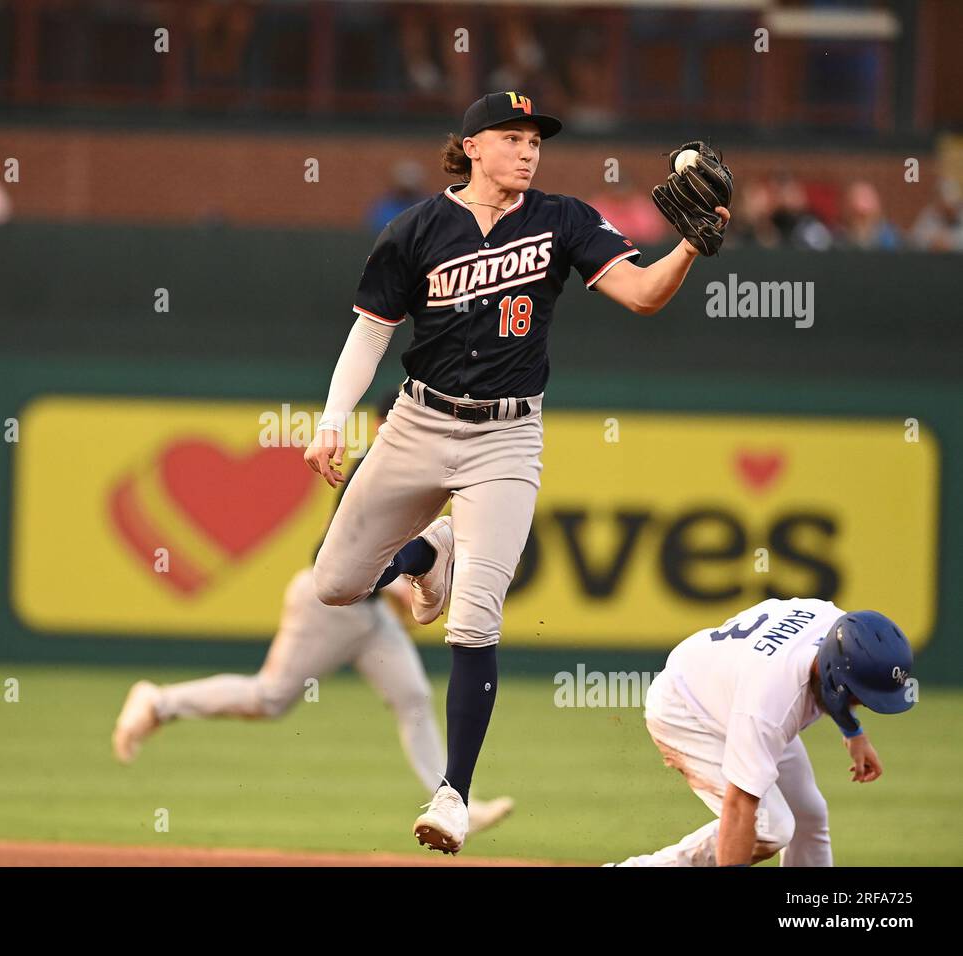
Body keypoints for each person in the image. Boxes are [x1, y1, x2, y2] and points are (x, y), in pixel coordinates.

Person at [303, 91, 730, 854]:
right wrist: (332, 421)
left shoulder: (562, 219)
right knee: (332, 584)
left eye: (535, 138)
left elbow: (640, 295)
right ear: (472, 147)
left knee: (474, 617)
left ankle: (453, 795)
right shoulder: (416, 230)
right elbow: (370, 333)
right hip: (418, 421)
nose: (528, 149)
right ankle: (426, 552)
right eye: (511, 136)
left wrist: (689, 247)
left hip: (507, 437)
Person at [111, 392, 516, 838]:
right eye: (395, 423)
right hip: (327, 608)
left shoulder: (414, 473)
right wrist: (404, 586)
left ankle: (454, 800)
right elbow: (331, 554)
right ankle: (158, 702)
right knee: (268, 698)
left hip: (367, 612)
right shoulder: (373, 470)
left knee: (413, 699)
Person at [611, 601, 914, 867]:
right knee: (771, 828)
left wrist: (854, 731)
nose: (863, 702)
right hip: (686, 708)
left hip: (730, 690)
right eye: (861, 694)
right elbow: (740, 805)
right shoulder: (771, 703)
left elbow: (833, 683)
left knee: (809, 815)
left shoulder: (837, 629)